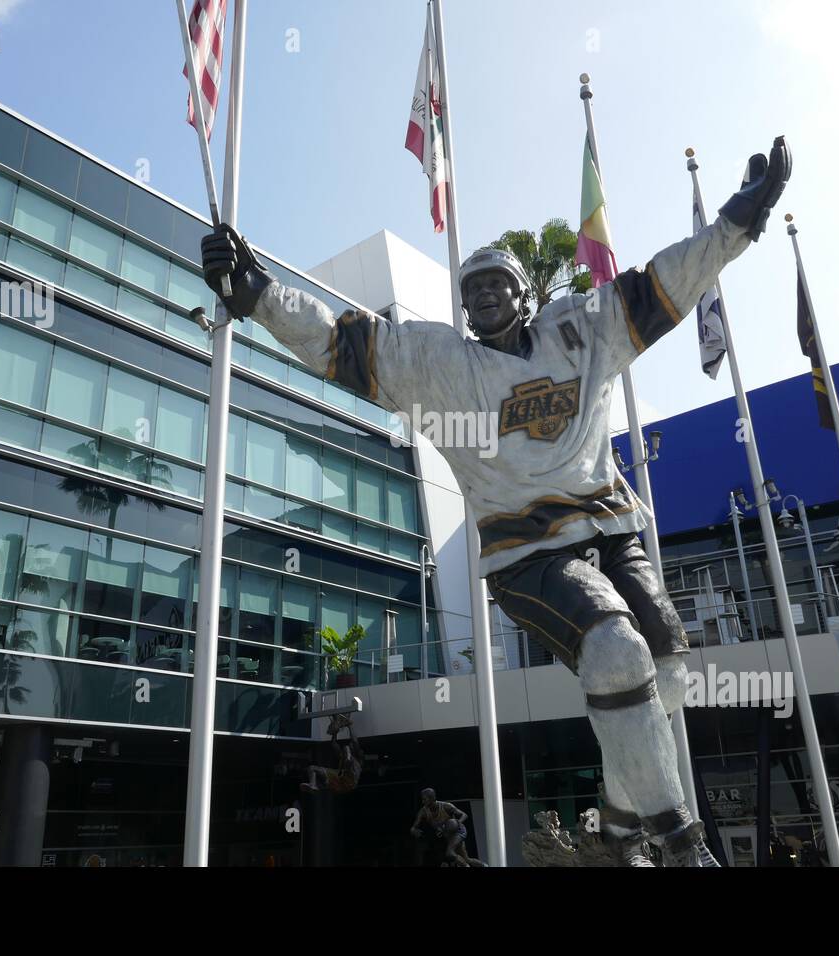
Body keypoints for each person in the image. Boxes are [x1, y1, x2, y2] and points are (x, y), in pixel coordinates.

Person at [202, 138, 791, 866]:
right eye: (470, 288)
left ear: (522, 294)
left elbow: (664, 284)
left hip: (609, 524)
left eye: (495, 284)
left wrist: (737, 220)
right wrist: (257, 296)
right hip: (527, 550)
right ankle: (679, 841)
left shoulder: (583, 328)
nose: (481, 295)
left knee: (666, 671)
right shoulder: (440, 364)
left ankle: (615, 824)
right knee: (614, 653)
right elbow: (341, 344)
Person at [410, 787, 481, 867]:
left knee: (450, 853)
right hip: (445, 835)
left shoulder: (446, 806)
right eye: (422, 799)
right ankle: (484, 865)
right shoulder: (423, 811)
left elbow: (464, 815)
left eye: (425, 799)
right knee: (465, 859)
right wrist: (414, 830)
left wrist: (456, 823)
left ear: (432, 798)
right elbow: (414, 827)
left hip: (457, 832)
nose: (423, 802)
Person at [301, 713, 363, 795]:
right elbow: (334, 743)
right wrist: (335, 732)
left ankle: (317, 785)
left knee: (346, 748)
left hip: (348, 780)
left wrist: (349, 726)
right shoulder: (343, 754)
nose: (350, 744)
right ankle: (314, 785)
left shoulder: (356, 754)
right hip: (341, 779)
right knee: (312, 768)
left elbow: (354, 741)